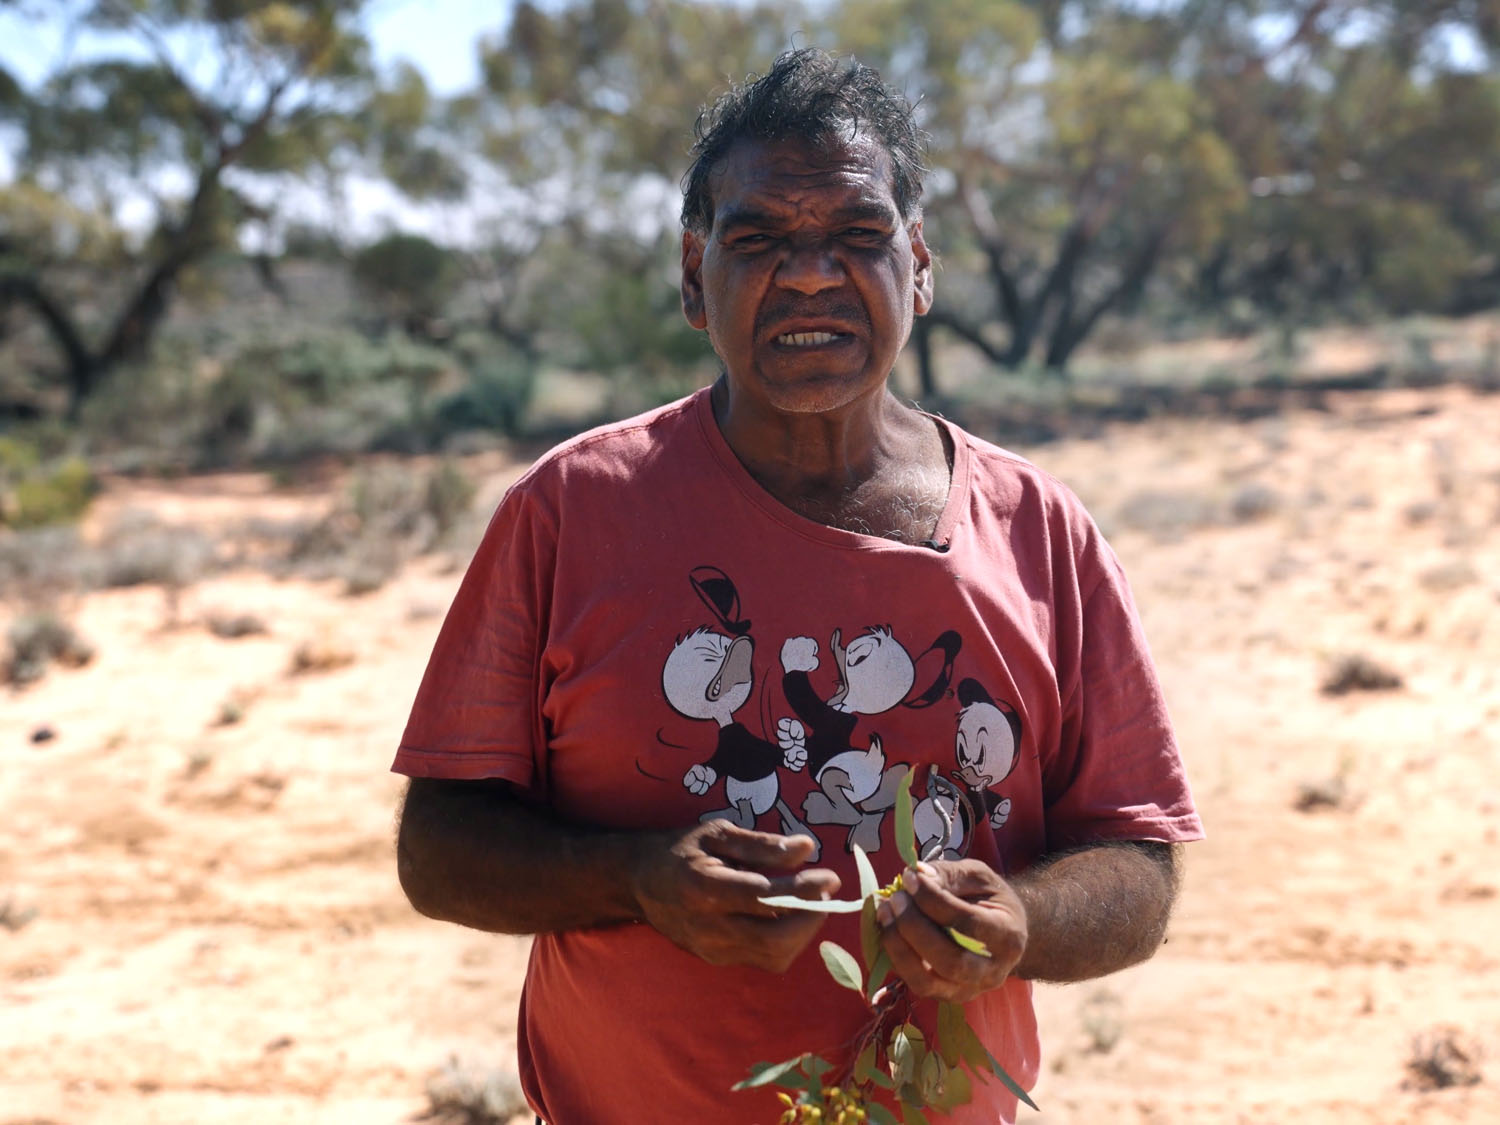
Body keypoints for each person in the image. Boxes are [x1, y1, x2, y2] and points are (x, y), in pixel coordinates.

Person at [393, 48, 1203, 1124]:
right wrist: (635, 877)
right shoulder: (570, 513)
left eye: (858, 237)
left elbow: (1137, 867)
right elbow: (440, 848)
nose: (812, 274)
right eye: (760, 239)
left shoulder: (1041, 533)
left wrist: (1019, 921)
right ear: (695, 277)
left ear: (918, 267)